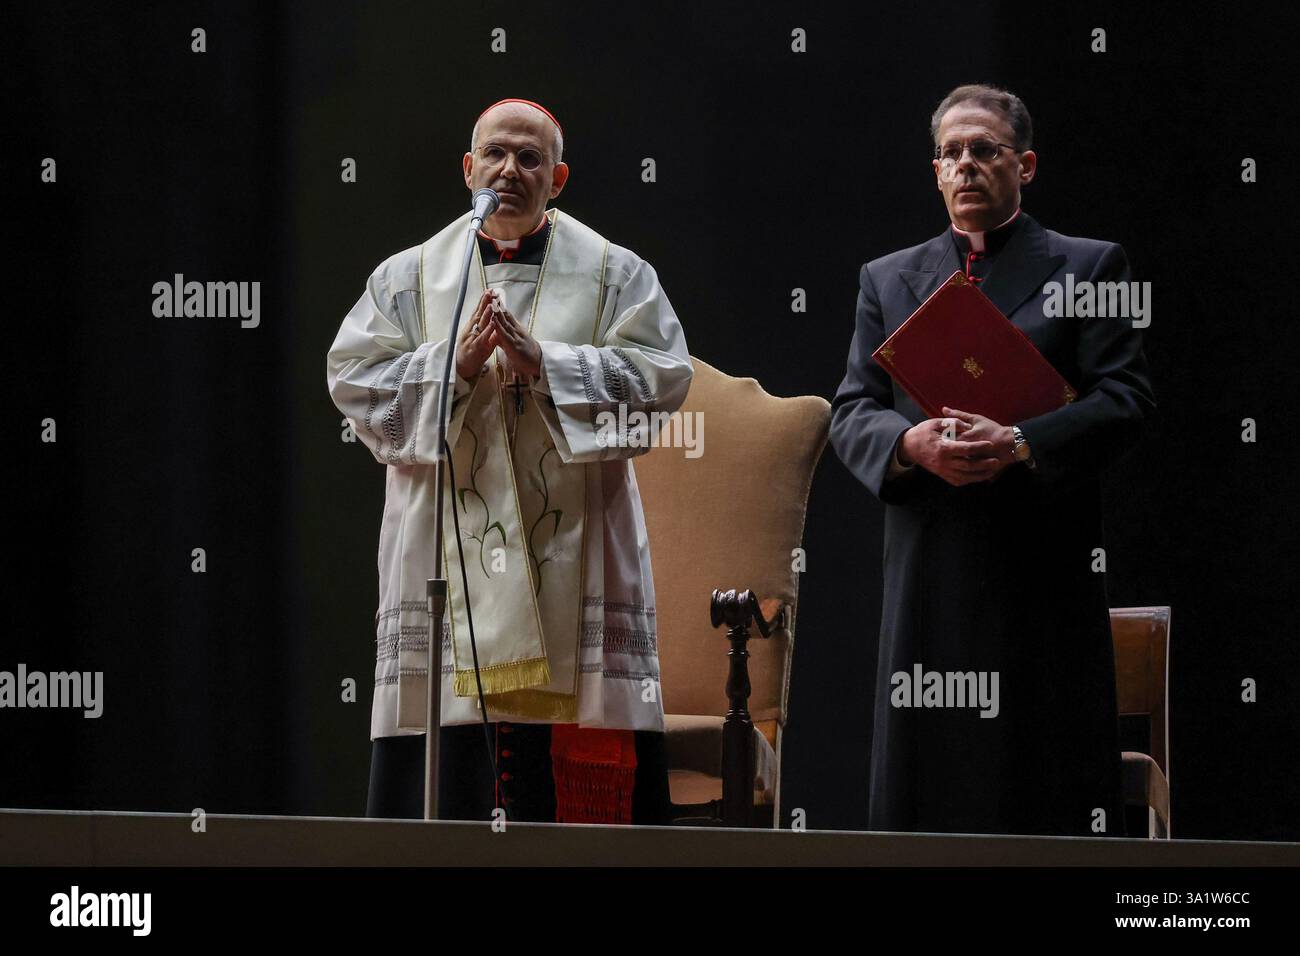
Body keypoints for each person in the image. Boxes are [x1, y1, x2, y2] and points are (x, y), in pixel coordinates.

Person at [326, 98, 692, 824]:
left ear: (557, 178)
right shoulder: (410, 277)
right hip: (442, 554)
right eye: (495, 154)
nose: (510, 170)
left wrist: (547, 364)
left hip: (577, 554)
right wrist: (453, 369)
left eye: (530, 159)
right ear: (469, 168)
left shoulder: (615, 273)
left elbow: (663, 378)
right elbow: (354, 382)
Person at [829, 84, 1155, 837]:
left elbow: (1129, 401)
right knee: (928, 784)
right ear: (935, 170)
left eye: (985, 150)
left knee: (1043, 775)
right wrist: (907, 444)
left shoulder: (1095, 266)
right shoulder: (887, 277)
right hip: (931, 564)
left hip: (1039, 562)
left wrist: (1019, 442)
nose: (966, 165)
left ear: (1026, 165)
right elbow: (852, 409)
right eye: (951, 153)